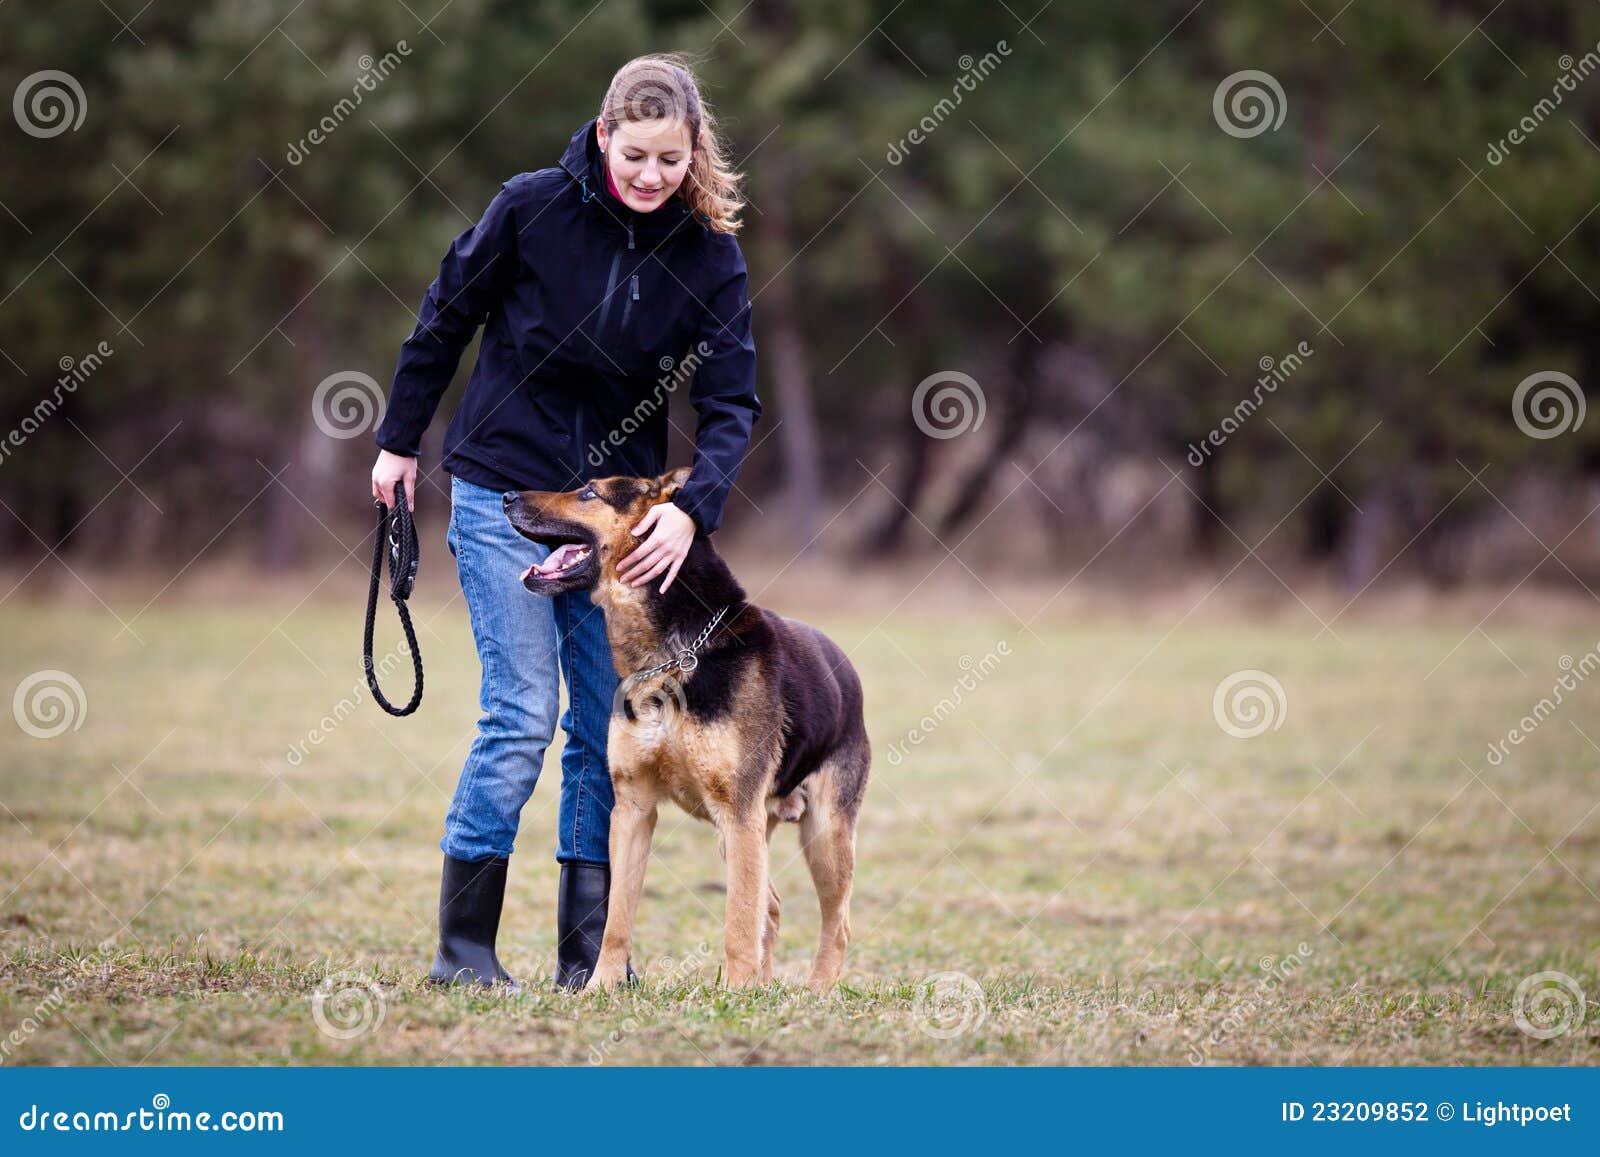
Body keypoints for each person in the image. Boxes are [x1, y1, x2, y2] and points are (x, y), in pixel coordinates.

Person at [369, 53, 761, 989]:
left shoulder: (709, 254)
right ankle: (463, 953)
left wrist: (691, 511)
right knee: (520, 714)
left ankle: (590, 957)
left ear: (693, 150)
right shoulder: (531, 206)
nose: (651, 176)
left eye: (671, 159)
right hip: (504, 491)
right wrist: (397, 441)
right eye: (635, 155)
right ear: (603, 137)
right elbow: (443, 318)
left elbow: (733, 403)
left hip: (613, 531)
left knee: (604, 726)